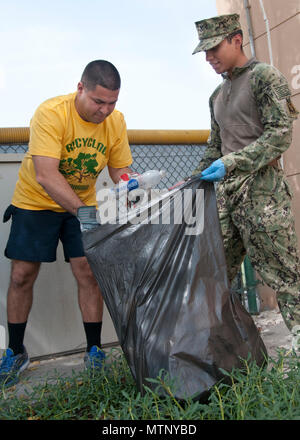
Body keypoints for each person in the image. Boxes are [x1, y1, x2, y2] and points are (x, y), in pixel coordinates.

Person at [0, 60, 133, 387]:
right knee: (21, 275)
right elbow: (46, 174)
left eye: (112, 103)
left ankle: (94, 350)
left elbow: (119, 170)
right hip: (36, 201)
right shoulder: (51, 113)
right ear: (80, 88)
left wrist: (131, 185)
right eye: (98, 102)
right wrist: (86, 214)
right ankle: (16, 352)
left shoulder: (115, 122)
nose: (104, 110)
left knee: (88, 271)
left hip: (81, 203)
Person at [191, 14, 300, 334]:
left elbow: (280, 135)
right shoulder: (216, 96)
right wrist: (190, 181)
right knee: (214, 272)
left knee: (283, 273)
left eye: (213, 49)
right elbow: (215, 148)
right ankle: (224, 348)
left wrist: (234, 162)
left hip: (263, 192)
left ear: (236, 39)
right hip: (227, 196)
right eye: (205, 52)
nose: (209, 58)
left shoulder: (265, 78)